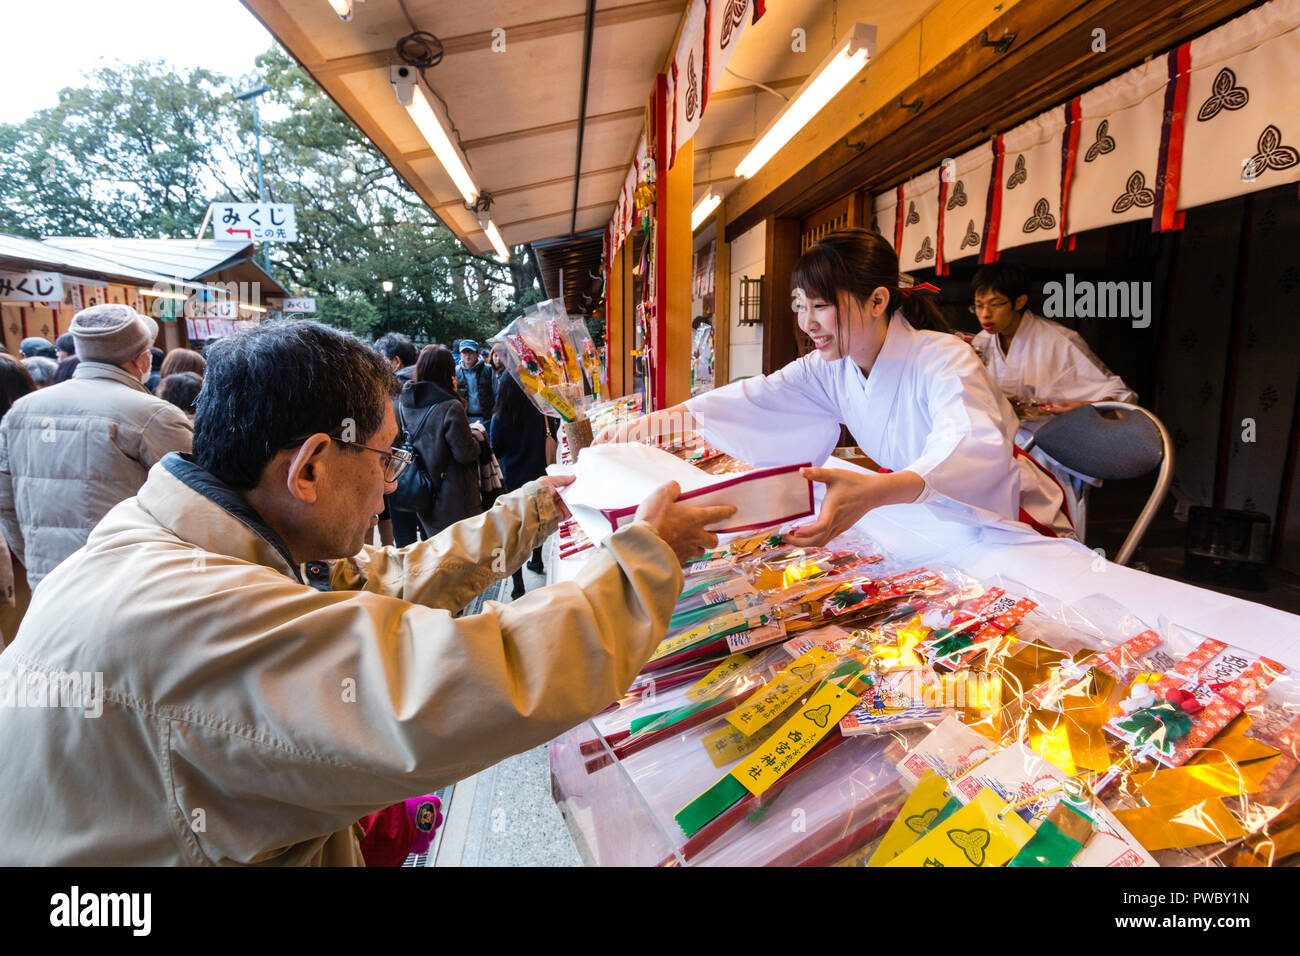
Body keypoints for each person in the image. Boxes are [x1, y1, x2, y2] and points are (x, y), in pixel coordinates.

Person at [0, 319, 730, 864]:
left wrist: (540, 502)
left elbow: (395, 579)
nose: (390, 486)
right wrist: (643, 562)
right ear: (310, 467)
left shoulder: (201, 536)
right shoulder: (197, 611)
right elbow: (449, 685)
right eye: (385, 459)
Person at [597, 228, 1072, 542]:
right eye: (800, 306)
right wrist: (645, 428)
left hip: (1000, 521)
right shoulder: (830, 369)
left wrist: (877, 492)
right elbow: (752, 398)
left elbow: (970, 446)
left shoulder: (943, 357)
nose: (807, 323)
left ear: (877, 300)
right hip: (924, 516)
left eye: (820, 306)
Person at [0, 304, 194, 587]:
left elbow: (6, 505)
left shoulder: (20, 411)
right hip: (130, 581)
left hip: (48, 581)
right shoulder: (153, 415)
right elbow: (195, 505)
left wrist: (36, 561)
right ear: (142, 360)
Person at [969, 263, 1136, 413]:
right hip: (1002, 440)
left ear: (1019, 302)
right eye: (979, 305)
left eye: (996, 304)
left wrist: (1086, 407)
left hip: (1049, 441)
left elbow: (1119, 394)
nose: (985, 314)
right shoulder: (981, 342)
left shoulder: (1058, 340)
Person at [403, 345, 483, 536]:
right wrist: (477, 436)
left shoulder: (405, 402)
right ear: (448, 371)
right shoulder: (450, 406)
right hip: (455, 499)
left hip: (423, 492)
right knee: (464, 553)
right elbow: (465, 453)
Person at [490, 375, 550, 599]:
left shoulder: (499, 417)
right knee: (539, 520)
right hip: (537, 473)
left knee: (515, 531)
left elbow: (496, 447)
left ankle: (518, 584)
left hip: (512, 479)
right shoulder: (539, 412)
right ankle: (536, 558)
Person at [374, 333, 422, 547]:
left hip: (401, 472)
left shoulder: (394, 389)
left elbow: (387, 435)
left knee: (404, 538)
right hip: (429, 477)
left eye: (381, 358)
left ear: (396, 361)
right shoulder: (428, 381)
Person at [456, 339, 494, 426]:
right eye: (464, 352)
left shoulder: (488, 370)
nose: (467, 355)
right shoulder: (456, 372)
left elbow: (496, 392)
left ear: (477, 354)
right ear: (460, 355)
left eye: (471, 352)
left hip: (487, 419)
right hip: (464, 419)